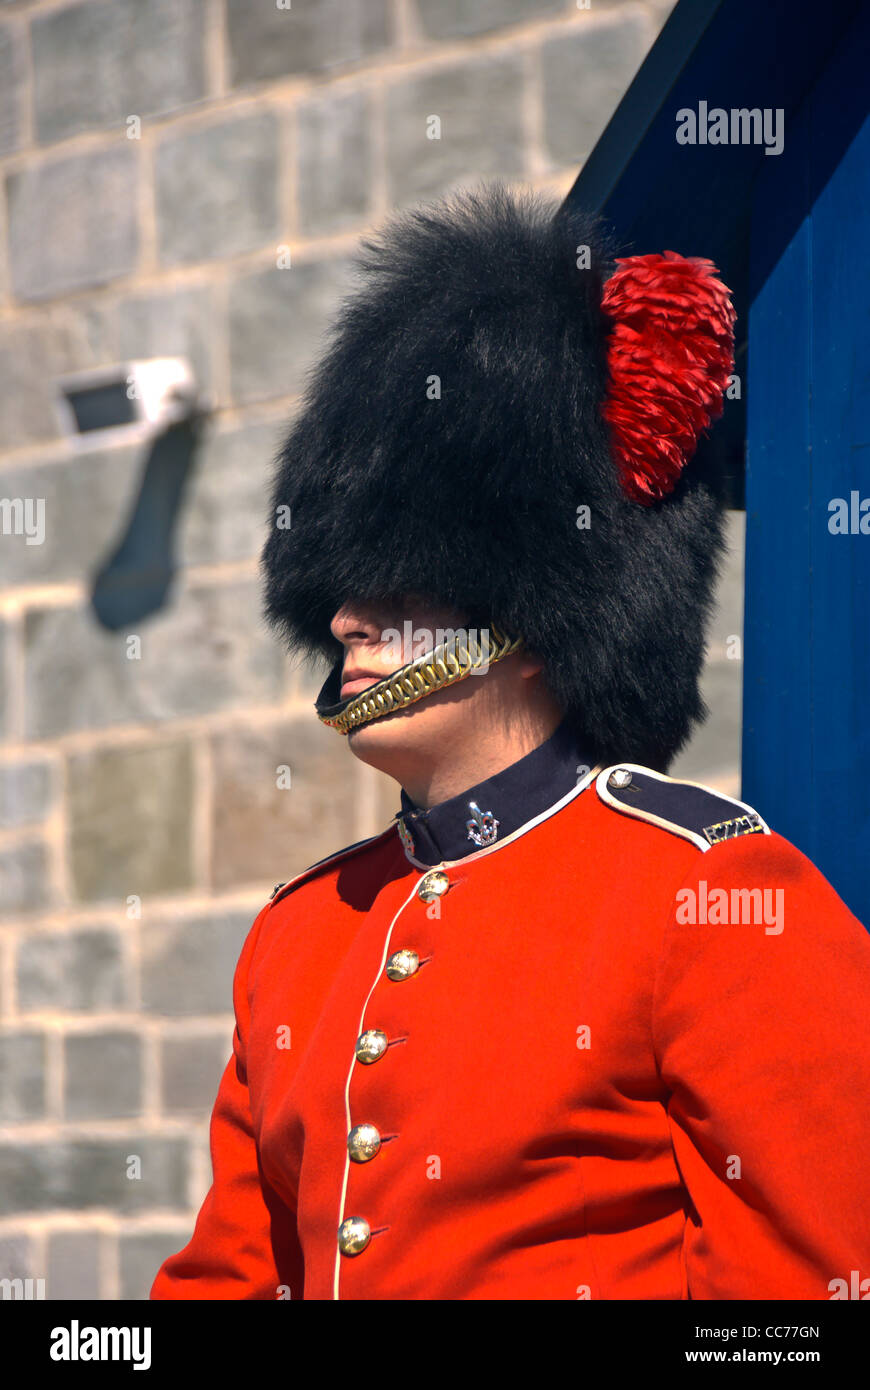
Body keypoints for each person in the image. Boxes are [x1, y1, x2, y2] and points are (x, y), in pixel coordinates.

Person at [150, 181, 870, 1301]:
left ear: (529, 618)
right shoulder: (297, 935)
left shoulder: (708, 894)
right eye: (342, 589)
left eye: (400, 586)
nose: (347, 619)